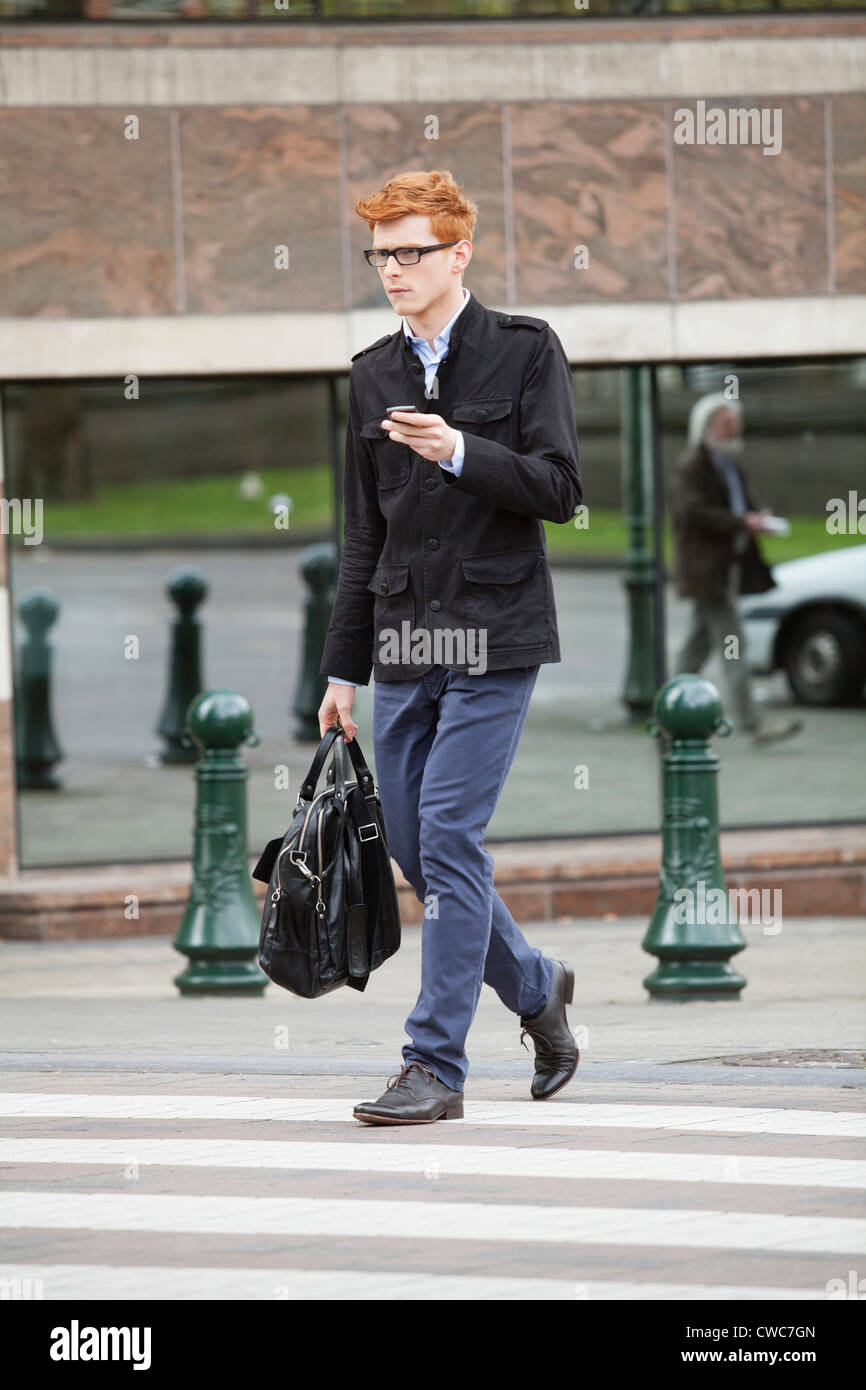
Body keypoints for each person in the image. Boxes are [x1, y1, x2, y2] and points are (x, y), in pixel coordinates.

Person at [316, 169, 582, 1124]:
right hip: (403, 642)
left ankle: (434, 1065)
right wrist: (343, 668)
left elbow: (560, 489)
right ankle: (539, 987)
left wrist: (460, 452)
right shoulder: (368, 375)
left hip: (497, 636)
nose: (392, 268)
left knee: (452, 837)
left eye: (410, 251)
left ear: (459, 252)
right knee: (418, 848)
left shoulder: (524, 351)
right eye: (381, 253)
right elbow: (364, 536)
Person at [672, 392, 802, 745]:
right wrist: (743, 522)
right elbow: (697, 513)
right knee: (733, 643)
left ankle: (666, 711)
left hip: (726, 569)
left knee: (696, 648)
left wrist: (759, 518)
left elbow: (743, 502)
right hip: (708, 571)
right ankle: (751, 723)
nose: (734, 430)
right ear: (707, 427)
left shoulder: (730, 463)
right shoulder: (693, 465)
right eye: (727, 424)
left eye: (735, 424)